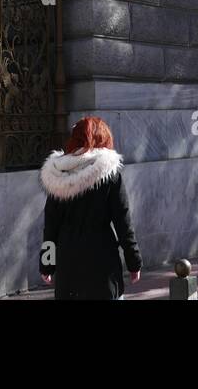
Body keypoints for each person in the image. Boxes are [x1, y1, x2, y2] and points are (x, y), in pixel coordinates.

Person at [39, 116, 141, 300]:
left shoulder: (57, 175)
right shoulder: (108, 174)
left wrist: (47, 265)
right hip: (102, 263)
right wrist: (134, 262)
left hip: (68, 264)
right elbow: (123, 222)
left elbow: (50, 228)